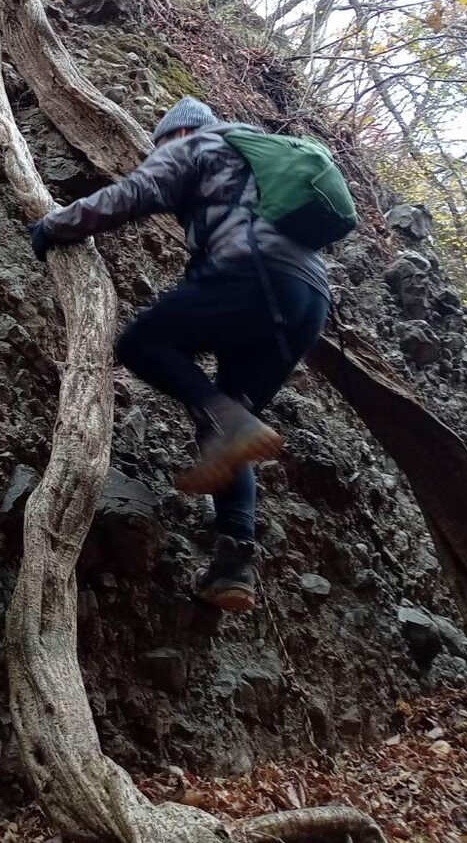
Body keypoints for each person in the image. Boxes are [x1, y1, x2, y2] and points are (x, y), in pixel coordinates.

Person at [28, 97, 333, 613]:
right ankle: (233, 568)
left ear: (174, 134)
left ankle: (230, 423)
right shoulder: (255, 160)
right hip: (309, 301)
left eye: (158, 145)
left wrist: (56, 225)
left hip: (250, 275)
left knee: (141, 343)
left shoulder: (193, 143)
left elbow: (135, 192)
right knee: (226, 422)